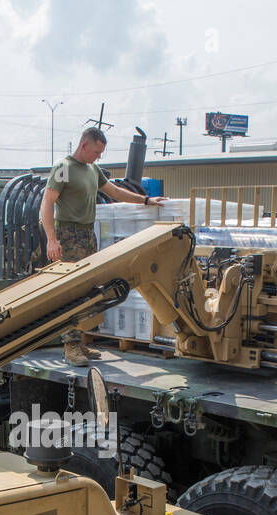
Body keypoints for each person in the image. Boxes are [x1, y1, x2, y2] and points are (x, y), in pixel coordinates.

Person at [41, 127, 166, 365]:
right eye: (97, 151)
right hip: (68, 235)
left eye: (101, 153)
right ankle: (70, 346)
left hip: (87, 235)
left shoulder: (92, 170)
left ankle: (81, 341)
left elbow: (115, 192)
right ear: (85, 145)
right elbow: (46, 204)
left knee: (88, 290)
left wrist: (147, 200)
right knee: (71, 291)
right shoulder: (64, 168)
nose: (98, 157)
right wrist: (52, 239)